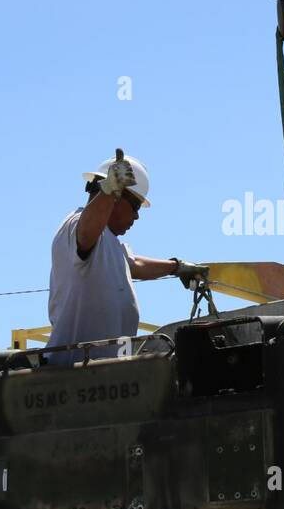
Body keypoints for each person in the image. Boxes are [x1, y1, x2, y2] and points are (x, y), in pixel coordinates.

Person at [45, 151, 206, 362]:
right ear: (116, 196)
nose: (137, 216)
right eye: (136, 206)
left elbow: (135, 264)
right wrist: (108, 191)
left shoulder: (109, 243)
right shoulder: (76, 226)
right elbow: (85, 234)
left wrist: (176, 267)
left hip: (104, 372)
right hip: (73, 374)